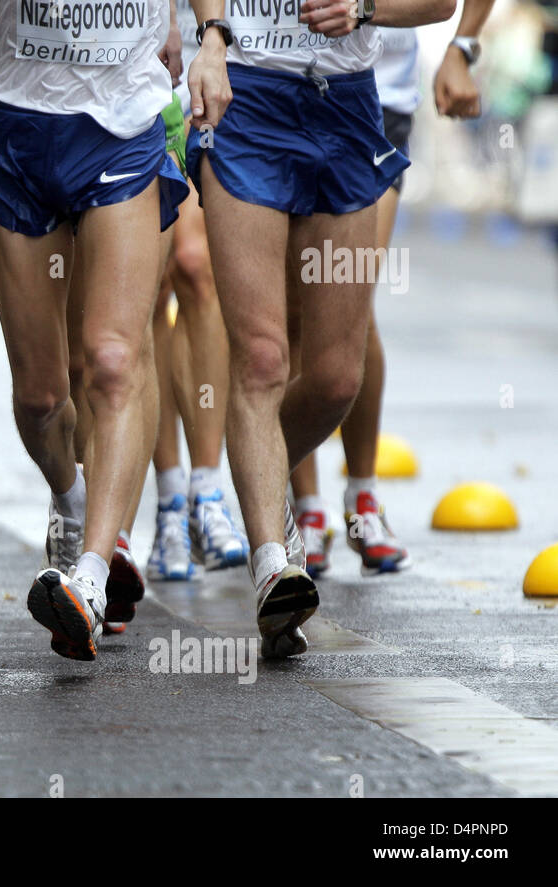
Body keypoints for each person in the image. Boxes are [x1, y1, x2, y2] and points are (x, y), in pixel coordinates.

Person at [0, 0, 189, 661]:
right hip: (17, 124)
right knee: (39, 397)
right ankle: (72, 498)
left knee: (112, 361)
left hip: (122, 118)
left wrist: (209, 34)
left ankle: (92, 570)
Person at [186, 0, 453, 656]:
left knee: (337, 378)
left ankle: (257, 475)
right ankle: (274, 562)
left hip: (348, 109)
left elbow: (440, 3)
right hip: (248, 98)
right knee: (263, 358)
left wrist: (365, 8)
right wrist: (212, 38)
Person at [290, 0, 497, 578]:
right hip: (285, 91)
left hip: (380, 101)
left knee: (346, 292)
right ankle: (303, 507)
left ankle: (362, 496)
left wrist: (462, 49)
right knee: (295, 312)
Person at [146, 0, 248, 584]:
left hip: (211, 61)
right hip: (133, 64)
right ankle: (169, 503)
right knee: (152, 285)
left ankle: (207, 490)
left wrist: (214, 37)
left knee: (195, 265)